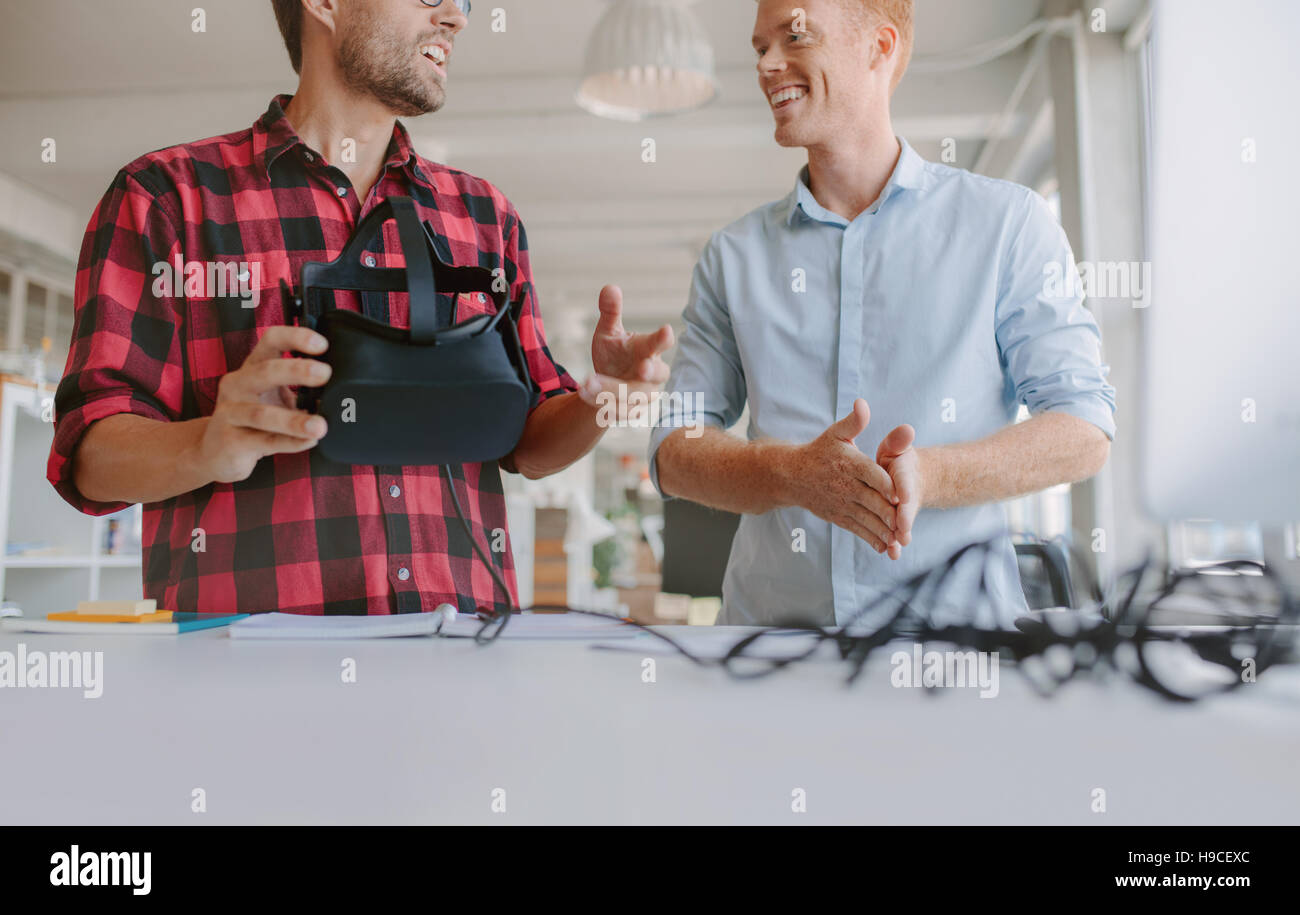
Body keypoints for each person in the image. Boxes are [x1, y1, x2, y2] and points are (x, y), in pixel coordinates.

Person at [47, 0, 673, 616]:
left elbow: (528, 441)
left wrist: (602, 400)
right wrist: (205, 445)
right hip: (243, 676)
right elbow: (91, 456)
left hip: (458, 659)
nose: (456, 16)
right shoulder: (168, 200)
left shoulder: (486, 218)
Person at [650, 0, 1116, 626]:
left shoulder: (1007, 225)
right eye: (759, 47)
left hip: (956, 655)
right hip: (768, 656)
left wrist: (934, 475)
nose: (766, 64)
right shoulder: (733, 256)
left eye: (792, 37)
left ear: (880, 46)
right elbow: (673, 450)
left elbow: (1083, 429)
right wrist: (788, 472)